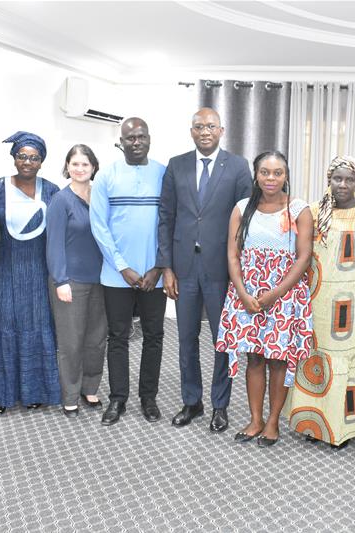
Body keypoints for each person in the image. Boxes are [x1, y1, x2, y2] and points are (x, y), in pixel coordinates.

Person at [157, 107, 252, 433]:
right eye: (199, 126)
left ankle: (220, 405)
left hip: (221, 269)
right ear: (192, 130)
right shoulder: (176, 165)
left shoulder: (238, 166)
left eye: (211, 126)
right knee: (185, 339)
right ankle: (192, 401)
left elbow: (245, 220)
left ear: (221, 130)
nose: (205, 131)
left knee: (222, 341)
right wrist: (166, 267)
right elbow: (166, 217)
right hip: (184, 268)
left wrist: (238, 269)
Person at [285, 156, 355, 448]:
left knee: (348, 363)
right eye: (337, 178)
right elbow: (300, 254)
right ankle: (313, 422)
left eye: (349, 179)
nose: (343, 184)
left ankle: (342, 427)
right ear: (328, 180)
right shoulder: (314, 212)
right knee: (318, 358)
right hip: (319, 299)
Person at [216, 151, 313, 446]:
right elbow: (233, 255)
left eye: (278, 172)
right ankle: (255, 419)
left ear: (286, 175)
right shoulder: (242, 208)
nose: (271, 178)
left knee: (277, 360)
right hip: (247, 293)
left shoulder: (299, 209)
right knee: (254, 358)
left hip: (283, 295)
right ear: (256, 175)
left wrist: (275, 293)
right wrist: (243, 293)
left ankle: (273, 423)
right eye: (265, 172)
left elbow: (304, 257)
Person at [90, 118, 167, 426]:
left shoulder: (163, 173)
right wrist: (122, 266)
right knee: (118, 336)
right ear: (120, 142)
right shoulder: (106, 175)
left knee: (154, 336)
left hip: (154, 275)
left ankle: (148, 398)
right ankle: (118, 399)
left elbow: (168, 223)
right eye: (130, 137)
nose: (136, 141)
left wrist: (159, 267)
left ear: (149, 138)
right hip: (116, 275)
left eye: (141, 136)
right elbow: (99, 226)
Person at [0, 131, 60, 414]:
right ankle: (2, 396)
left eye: (34, 157)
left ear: (42, 161)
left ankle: (34, 391)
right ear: (14, 158)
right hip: (3, 270)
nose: (27, 162)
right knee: (3, 327)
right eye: (22, 156)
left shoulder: (52, 189)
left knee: (36, 327)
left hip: (38, 270)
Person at [47, 144, 106, 418]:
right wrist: (60, 280)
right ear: (67, 167)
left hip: (103, 280)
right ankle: (70, 395)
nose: (80, 169)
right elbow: (54, 244)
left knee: (96, 340)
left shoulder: (100, 195)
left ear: (93, 167)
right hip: (70, 281)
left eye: (85, 164)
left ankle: (90, 387)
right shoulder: (61, 200)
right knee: (71, 342)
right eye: (75, 164)